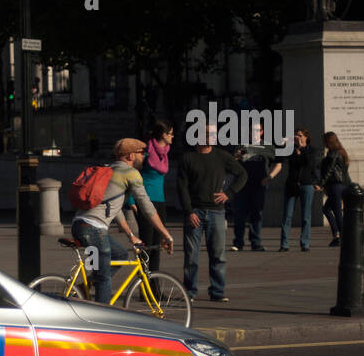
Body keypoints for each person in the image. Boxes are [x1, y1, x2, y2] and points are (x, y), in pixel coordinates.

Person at [72, 138, 174, 305]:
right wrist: (165, 234)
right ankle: (102, 323)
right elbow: (147, 206)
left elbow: (114, 208)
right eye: (143, 153)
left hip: (80, 225)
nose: (145, 157)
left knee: (120, 254)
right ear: (131, 155)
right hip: (94, 228)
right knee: (104, 279)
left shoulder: (109, 170)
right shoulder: (130, 173)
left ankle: (86, 286)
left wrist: (131, 235)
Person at [178, 143, 246, 303]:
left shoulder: (222, 156)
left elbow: (242, 174)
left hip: (217, 211)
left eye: (213, 133)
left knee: (218, 255)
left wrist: (229, 193)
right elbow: (182, 187)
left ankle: (217, 291)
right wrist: (188, 211)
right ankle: (190, 292)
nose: (210, 137)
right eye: (206, 133)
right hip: (195, 211)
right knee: (191, 256)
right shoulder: (188, 158)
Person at [138, 120, 174, 275]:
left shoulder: (164, 153)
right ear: (163, 134)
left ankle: (154, 287)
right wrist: (132, 202)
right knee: (146, 245)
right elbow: (133, 176)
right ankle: (144, 285)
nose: (173, 137)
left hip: (160, 202)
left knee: (157, 245)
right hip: (145, 201)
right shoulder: (145, 151)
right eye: (171, 134)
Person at [230, 146, 281, 251]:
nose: (253, 132)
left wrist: (269, 177)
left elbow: (279, 164)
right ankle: (238, 243)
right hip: (242, 184)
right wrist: (236, 157)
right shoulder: (241, 145)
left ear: (261, 131)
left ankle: (256, 243)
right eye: (251, 130)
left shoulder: (268, 147)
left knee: (257, 214)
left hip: (259, 185)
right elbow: (231, 163)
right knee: (240, 214)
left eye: (256, 130)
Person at [280, 128, 319, 251]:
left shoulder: (312, 150)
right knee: (287, 215)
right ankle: (284, 244)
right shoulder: (290, 150)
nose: (298, 137)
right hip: (291, 184)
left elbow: (310, 164)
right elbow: (279, 158)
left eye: (300, 135)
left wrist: (302, 149)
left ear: (306, 137)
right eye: (296, 135)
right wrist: (283, 144)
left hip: (306, 184)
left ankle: (305, 243)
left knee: (306, 216)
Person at [319, 131, 350, 247]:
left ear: (328, 141)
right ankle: (337, 235)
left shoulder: (333, 154)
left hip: (335, 185)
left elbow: (330, 170)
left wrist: (321, 183)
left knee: (336, 212)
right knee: (328, 209)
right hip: (343, 185)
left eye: (324, 141)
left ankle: (341, 237)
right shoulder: (342, 152)